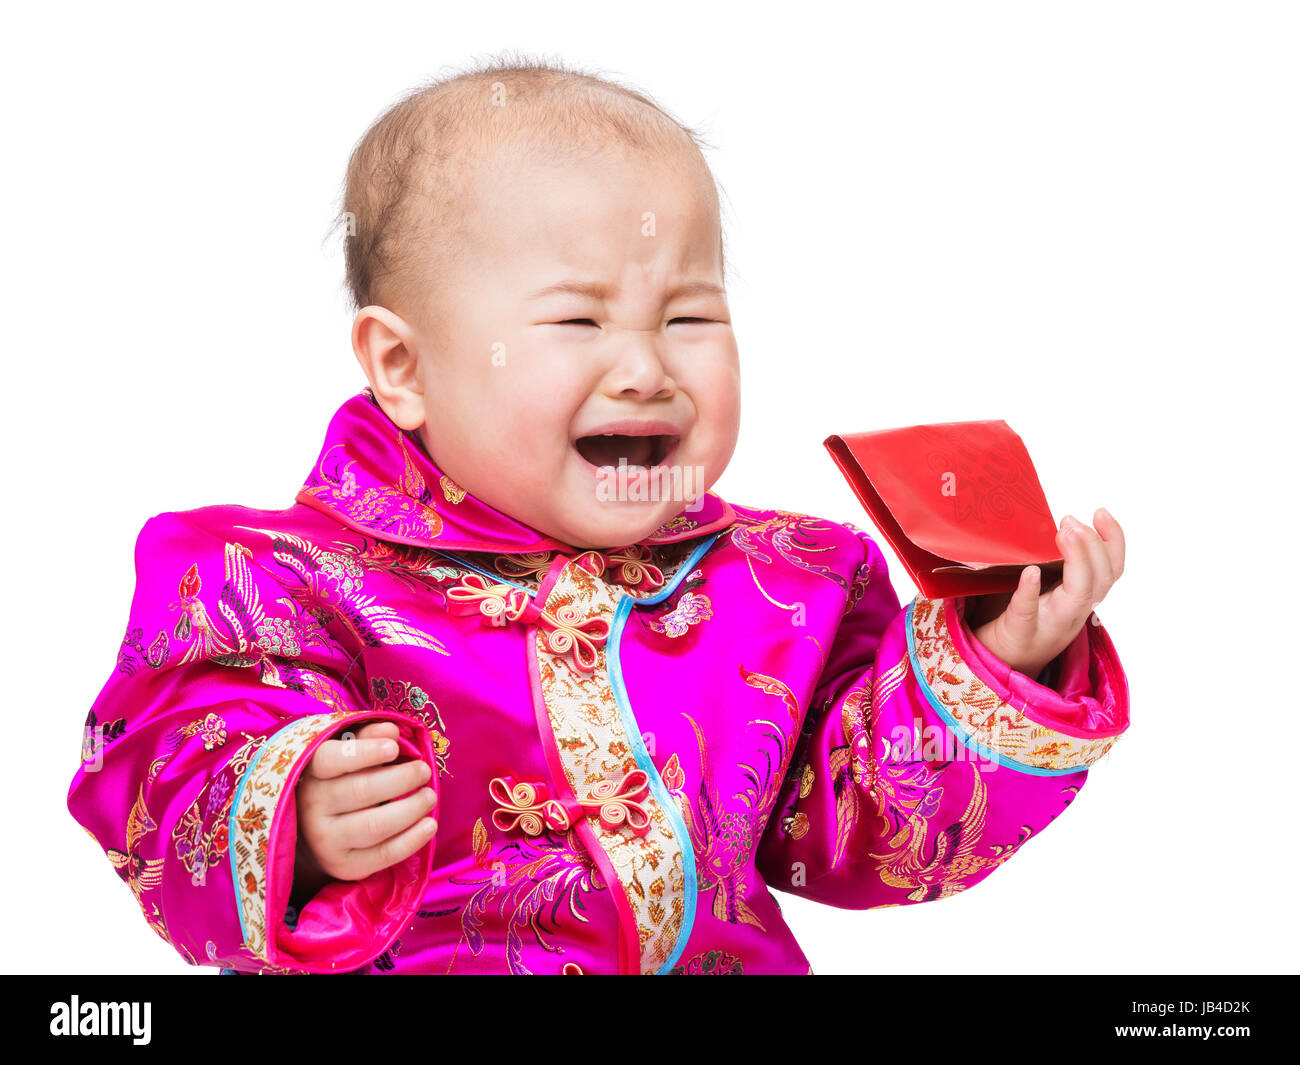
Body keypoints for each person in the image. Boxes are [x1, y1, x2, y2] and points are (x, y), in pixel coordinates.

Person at [67, 56, 1129, 975]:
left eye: (690, 315)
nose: (646, 368)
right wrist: (289, 810)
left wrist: (995, 666)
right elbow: (153, 770)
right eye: (577, 318)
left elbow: (854, 835)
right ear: (405, 366)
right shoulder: (266, 576)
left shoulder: (789, 579)